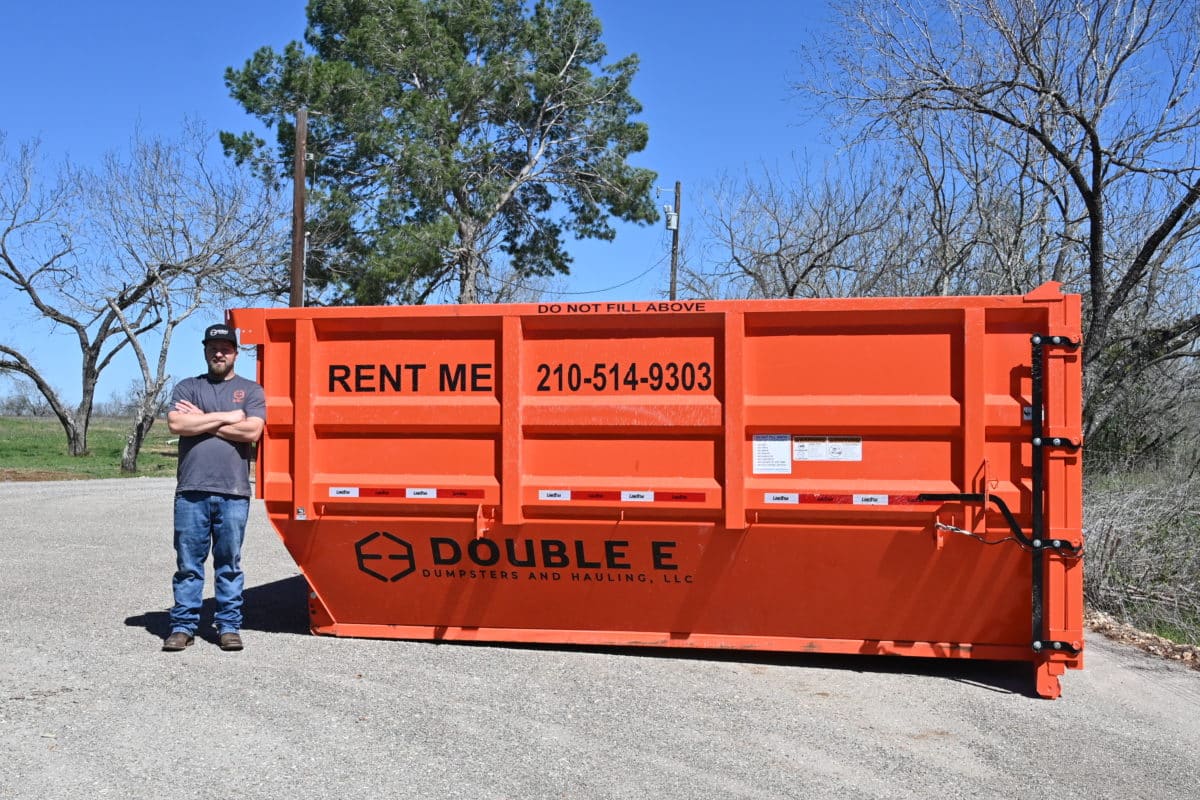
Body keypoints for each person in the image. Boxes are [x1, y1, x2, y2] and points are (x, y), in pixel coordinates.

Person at [162, 323, 266, 652]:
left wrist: (204, 420)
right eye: (213, 347)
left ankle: (229, 626)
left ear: (236, 352)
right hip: (191, 491)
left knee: (228, 564)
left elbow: (252, 433)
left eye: (225, 347)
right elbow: (178, 423)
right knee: (188, 565)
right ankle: (183, 626)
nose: (218, 352)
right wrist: (228, 417)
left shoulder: (251, 391)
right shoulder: (188, 387)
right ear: (205, 351)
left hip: (233, 492)